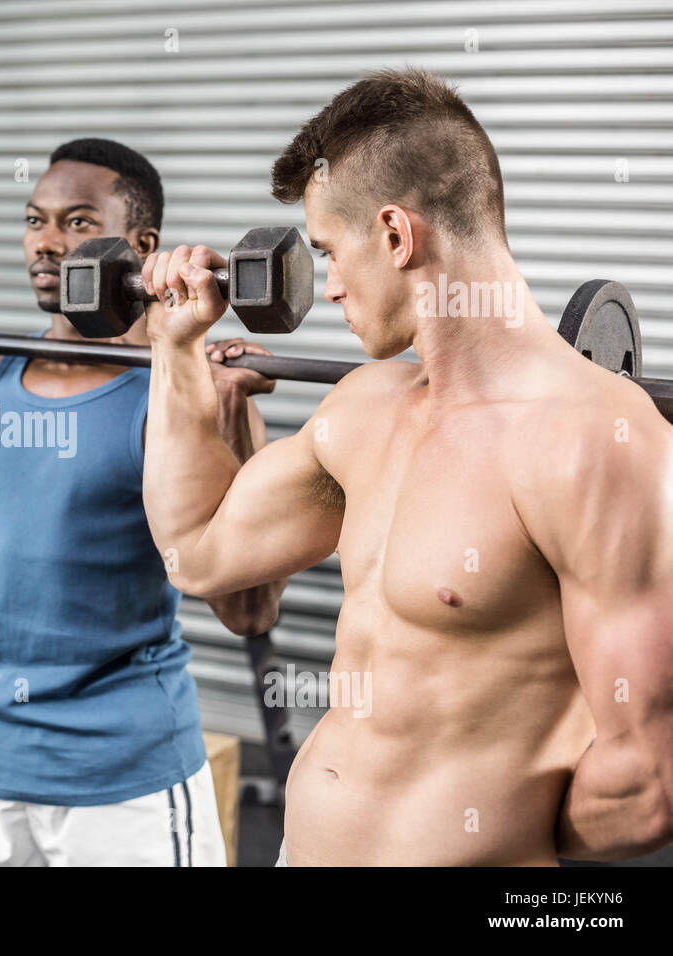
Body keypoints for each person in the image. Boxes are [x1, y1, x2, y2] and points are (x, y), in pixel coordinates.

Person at [139, 68, 673, 866]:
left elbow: (648, 783)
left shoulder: (597, 443)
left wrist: (489, 838)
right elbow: (198, 549)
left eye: (329, 253)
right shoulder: (362, 410)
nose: (329, 292)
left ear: (395, 234)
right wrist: (174, 350)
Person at [0, 138, 284, 866]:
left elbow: (250, 611)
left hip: (125, 776)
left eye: (79, 223)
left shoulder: (182, 391)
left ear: (142, 244)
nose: (48, 243)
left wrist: (229, 419)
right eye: (36, 221)